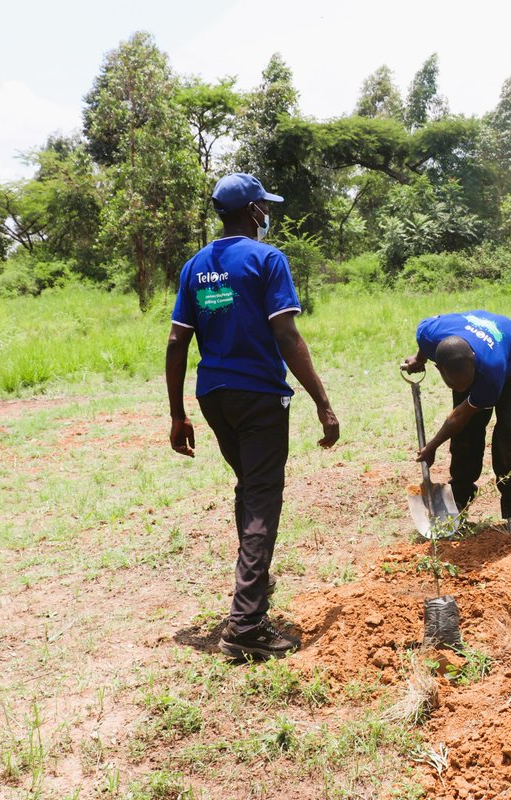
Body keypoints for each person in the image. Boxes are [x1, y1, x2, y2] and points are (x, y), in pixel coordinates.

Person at [165, 173, 340, 658]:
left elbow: (178, 341)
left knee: (249, 487)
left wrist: (178, 414)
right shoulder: (268, 259)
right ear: (251, 211)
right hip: (260, 397)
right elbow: (286, 335)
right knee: (263, 498)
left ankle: (254, 590)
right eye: (264, 206)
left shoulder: (196, 266)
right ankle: (245, 629)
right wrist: (322, 402)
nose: (267, 213)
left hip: (213, 397)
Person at [402, 311, 511, 536]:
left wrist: (432, 446)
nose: (463, 389)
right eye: (455, 385)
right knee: (466, 435)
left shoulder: (490, 372)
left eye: (468, 383)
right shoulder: (429, 333)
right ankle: (459, 503)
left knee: (507, 433)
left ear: (473, 363)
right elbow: (425, 344)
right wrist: (420, 359)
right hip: (477, 354)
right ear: (439, 368)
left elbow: (458, 416)